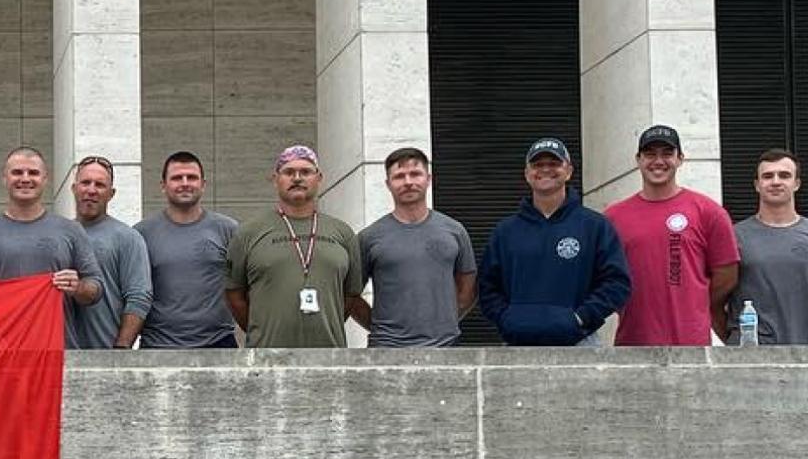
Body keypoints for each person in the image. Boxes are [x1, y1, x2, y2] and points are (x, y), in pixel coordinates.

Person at [477, 139, 632, 346]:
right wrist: (507, 319)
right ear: (527, 173)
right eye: (538, 165)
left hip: (580, 344)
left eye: (554, 163)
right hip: (517, 345)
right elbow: (487, 287)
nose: (545, 170)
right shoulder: (505, 232)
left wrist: (580, 318)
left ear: (568, 171)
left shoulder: (595, 226)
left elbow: (617, 283)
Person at [606, 125, 740, 345]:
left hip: (691, 345)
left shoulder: (709, 212)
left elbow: (727, 274)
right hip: (632, 343)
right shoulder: (613, 217)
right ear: (638, 160)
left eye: (667, 153)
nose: (658, 161)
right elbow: (602, 277)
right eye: (650, 154)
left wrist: (694, 302)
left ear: (680, 159)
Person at [224, 146, 362, 348]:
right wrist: (263, 329)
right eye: (288, 172)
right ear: (275, 179)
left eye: (305, 172)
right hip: (267, 359)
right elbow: (234, 296)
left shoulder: (343, 233)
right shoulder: (248, 232)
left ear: (319, 178)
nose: (297, 178)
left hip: (329, 357)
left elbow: (351, 295)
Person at [349, 148, 477, 347]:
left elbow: (468, 288)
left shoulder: (454, 231)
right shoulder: (368, 238)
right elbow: (350, 295)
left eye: (415, 174)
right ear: (388, 184)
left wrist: (445, 322)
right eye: (399, 176)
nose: (408, 182)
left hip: (445, 347)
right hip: (386, 349)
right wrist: (380, 328)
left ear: (429, 178)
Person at [0, 147, 105, 338]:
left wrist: (77, 287)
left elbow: (96, 288)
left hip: (57, 349)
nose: (25, 179)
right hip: (1, 351)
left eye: (34, 173)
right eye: (17, 172)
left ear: (45, 179)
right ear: (4, 179)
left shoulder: (71, 230)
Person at [135, 152, 238, 349]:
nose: (184, 183)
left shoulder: (228, 230)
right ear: (163, 185)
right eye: (176, 178)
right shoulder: (141, 234)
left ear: (203, 184)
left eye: (191, 177)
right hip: (158, 346)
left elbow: (244, 288)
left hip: (218, 343)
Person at [68, 157, 152, 348]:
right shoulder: (58, 235)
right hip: (59, 357)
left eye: (99, 185)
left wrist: (120, 350)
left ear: (111, 193)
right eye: (85, 183)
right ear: (74, 188)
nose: (91, 190)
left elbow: (139, 297)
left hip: (106, 351)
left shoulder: (128, 238)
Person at [733, 148, 808, 343]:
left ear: (797, 184)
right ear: (757, 185)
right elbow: (715, 300)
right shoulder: (734, 236)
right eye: (767, 176)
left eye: (784, 175)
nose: (775, 182)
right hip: (753, 355)